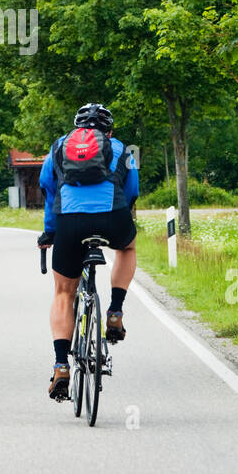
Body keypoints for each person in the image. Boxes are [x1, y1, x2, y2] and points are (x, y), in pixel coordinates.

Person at [37, 103, 139, 400]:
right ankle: (115, 311)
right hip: (113, 216)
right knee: (127, 247)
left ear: (77, 127)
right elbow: (132, 190)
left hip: (69, 223)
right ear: (109, 131)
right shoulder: (121, 149)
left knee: (63, 293)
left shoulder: (58, 147)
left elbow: (48, 188)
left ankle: (60, 366)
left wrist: (50, 232)